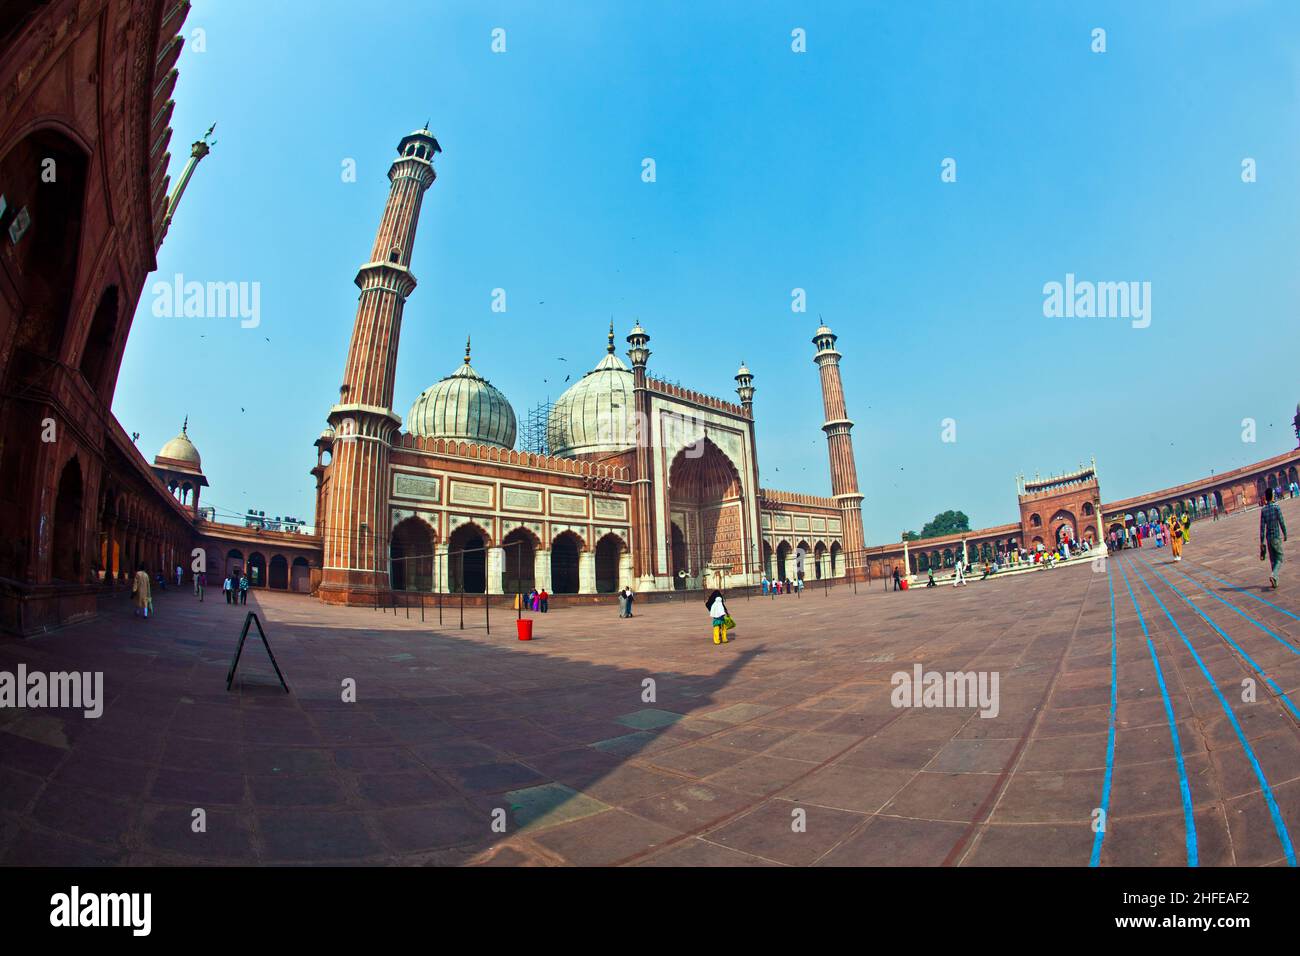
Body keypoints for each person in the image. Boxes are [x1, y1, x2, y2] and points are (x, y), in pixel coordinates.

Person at [1260, 487, 1288, 589]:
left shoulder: (1263, 510)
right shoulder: (1276, 507)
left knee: (1272, 560)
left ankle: (1275, 582)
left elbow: (1262, 528)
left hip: (1268, 538)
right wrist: (1285, 533)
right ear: (1272, 496)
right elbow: (1281, 521)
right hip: (1276, 536)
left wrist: (1261, 541)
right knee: (1279, 558)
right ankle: (1274, 575)